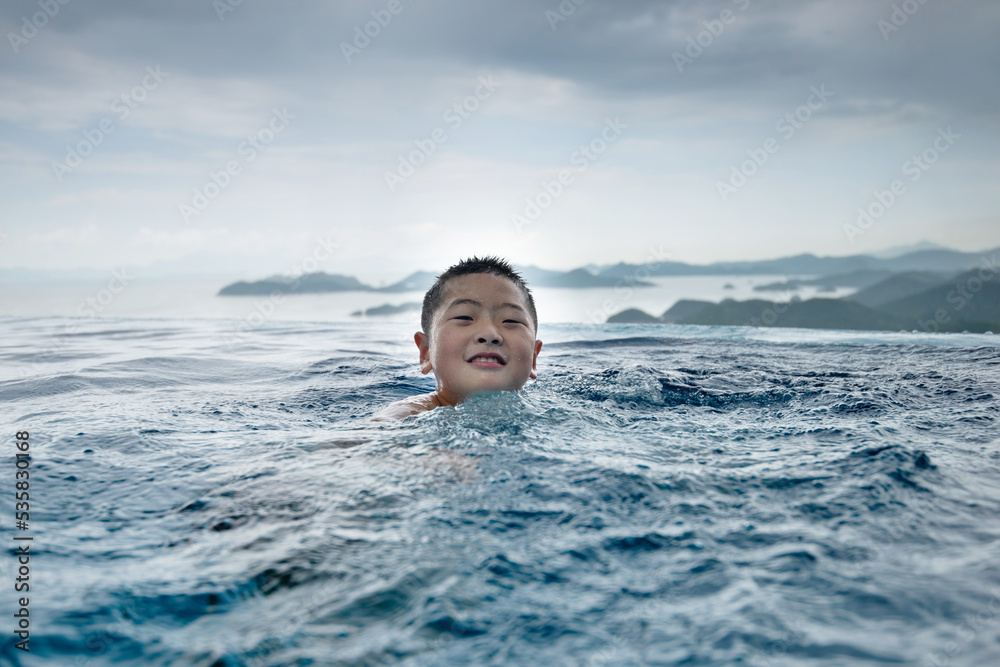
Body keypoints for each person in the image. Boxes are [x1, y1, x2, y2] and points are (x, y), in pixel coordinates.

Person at [373, 256, 542, 420]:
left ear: (533, 358)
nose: (489, 334)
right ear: (426, 352)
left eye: (510, 320)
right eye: (464, 318)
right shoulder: (406, 416)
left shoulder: (546, 415)